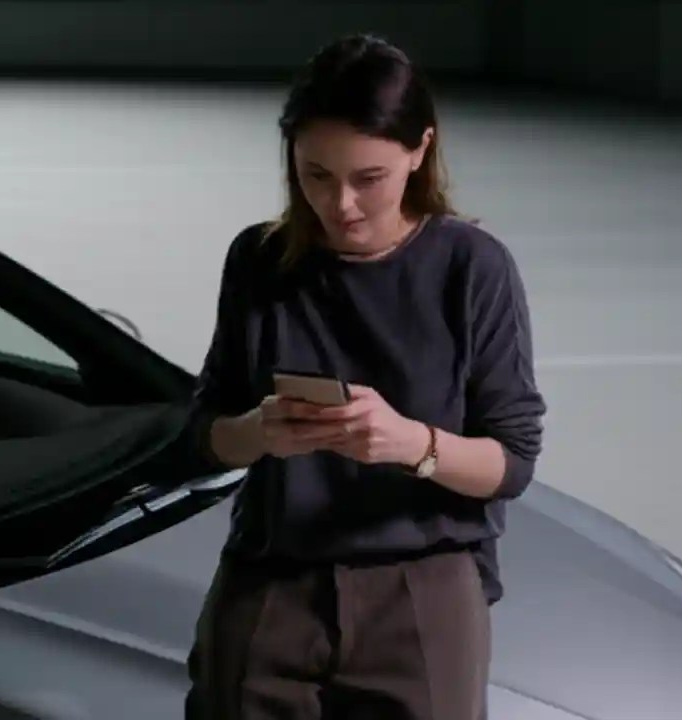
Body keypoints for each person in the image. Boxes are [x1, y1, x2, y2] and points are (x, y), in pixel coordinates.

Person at [183, 34, 546, 720]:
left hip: (424, 588)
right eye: (316, 174)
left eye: (367, 178)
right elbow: (204, 432)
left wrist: (413, 444)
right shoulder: (260, 259)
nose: (340, 203)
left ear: (419, 151)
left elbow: (513, 461)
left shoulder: (473, 267)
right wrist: (257, 432)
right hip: (272, 579)